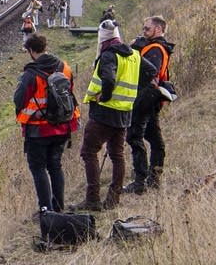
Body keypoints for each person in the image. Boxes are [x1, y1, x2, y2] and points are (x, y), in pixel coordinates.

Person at [77, 20, 140, 211]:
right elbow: (150, 72)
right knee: (117, 155)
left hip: (104, 113)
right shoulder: (134, 56)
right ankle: (113, 199)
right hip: (124, 114)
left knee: (89, 152)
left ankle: (93, 199)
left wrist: (104, 97)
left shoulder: (108, 55)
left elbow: (109, 78)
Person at [14, 33, 78, 213]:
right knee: (55, 166)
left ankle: (45, 210)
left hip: (38, 130)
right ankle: (58, 208)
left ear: (31, 51)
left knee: (39, 168)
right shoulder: (64, 67)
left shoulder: (30, 73)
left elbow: (19, 100)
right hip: (62, 126)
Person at [124, 16, 173, 194]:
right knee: (154, 138)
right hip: (152, 97)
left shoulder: (155, 49)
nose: (143, 32)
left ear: (158, 29)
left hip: (145, 97)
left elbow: (149, 72)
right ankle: (154, 178)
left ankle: (140, 182)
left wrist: (135, 49)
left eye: (147, 29)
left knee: (134, 137)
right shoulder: (156, 46)